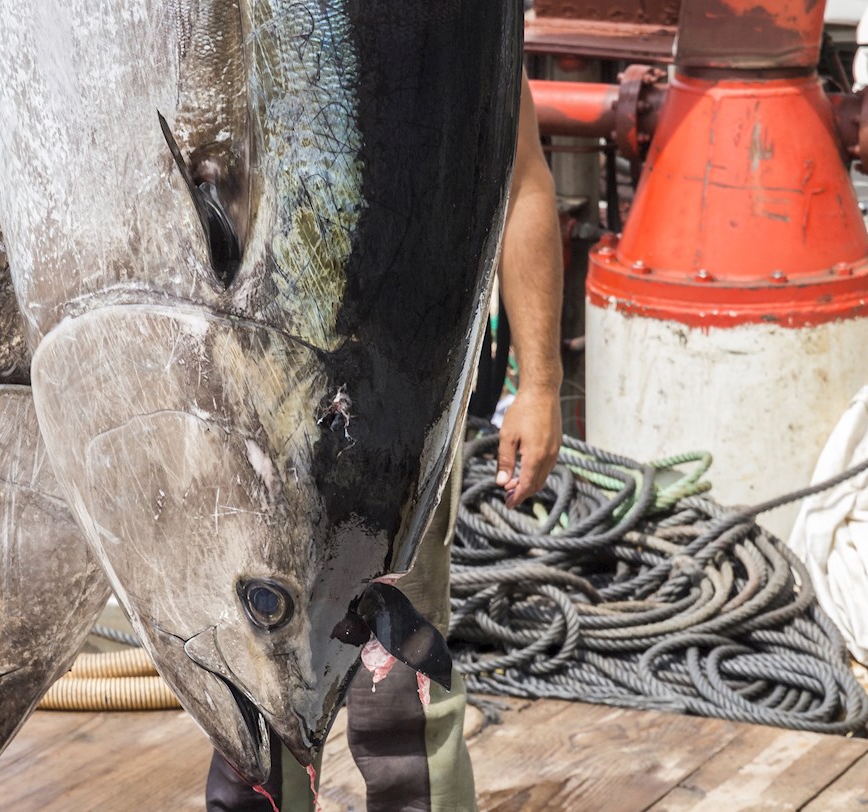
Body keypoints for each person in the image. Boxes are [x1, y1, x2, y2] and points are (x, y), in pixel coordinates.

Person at [206, 69, 564, 812]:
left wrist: (540, 384)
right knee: (253, 662)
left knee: (402, 680)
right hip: (247, 389)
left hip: (405, 391)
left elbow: (522, 181)